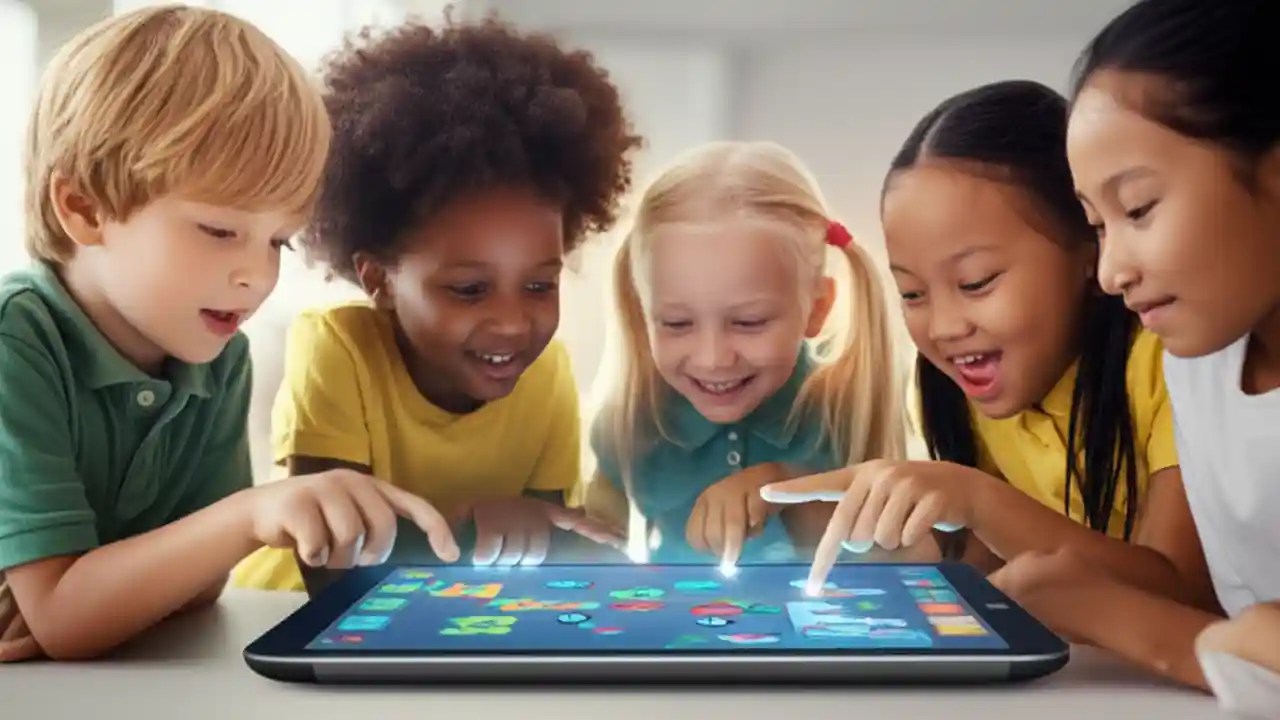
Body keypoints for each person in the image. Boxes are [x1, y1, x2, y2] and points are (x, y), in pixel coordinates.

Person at [0, 6, 460, 663]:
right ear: (84, 208)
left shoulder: (217, 356)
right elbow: (65, 622)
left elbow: (196, 592)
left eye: (278, 241)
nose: (257, 275)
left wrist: (92, 594)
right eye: (219, 230)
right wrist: (247, 516)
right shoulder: (17, 341)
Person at [763, 82, 1211, 616]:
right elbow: (986, 567)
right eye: (912, 293)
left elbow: (1183, 593)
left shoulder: (1169, 362)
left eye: (976, 282)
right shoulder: (978, 386)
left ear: (1091, 250)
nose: (944, 327)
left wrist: (977, 499)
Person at [232, 15, 640, 592]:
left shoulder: (547, 374)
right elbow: (336, 564)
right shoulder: (339, 350)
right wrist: (474, 530)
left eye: (539, 286)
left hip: (455, 622)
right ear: (378, 279)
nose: (512, 324)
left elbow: (551, 551)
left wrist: (540, 535)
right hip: (289, 615)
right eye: (469, 290)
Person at [999, 0, 1280, 709]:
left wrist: (1133, 622)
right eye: (1097, 224)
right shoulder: (1198, 365)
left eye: (1140, 208)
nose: (1109, 272)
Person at [585, 140, 907, 569]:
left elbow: (888, 556)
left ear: (817, 308)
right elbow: (595, 544)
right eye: (677, 323)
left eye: (749, 322)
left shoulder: (846, 410)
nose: (712, 359)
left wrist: (785, 487)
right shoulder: (634, 420)